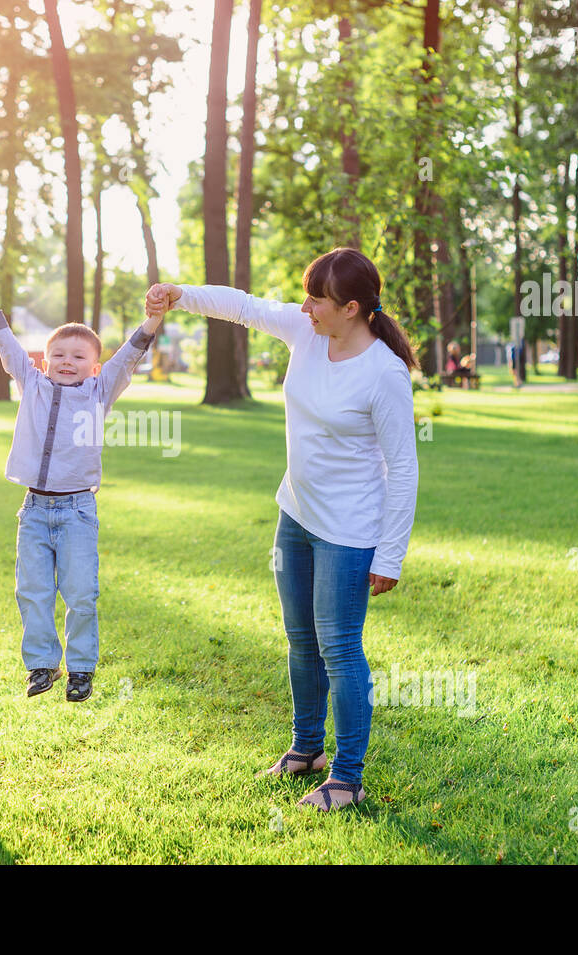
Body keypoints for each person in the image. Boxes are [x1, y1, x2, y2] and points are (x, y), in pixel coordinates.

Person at [146, 247, 419, 812]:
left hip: (348, 531)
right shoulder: (307, 331)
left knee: (340, 649)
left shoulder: (384, 374)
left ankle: (346, 778)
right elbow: (244, 307)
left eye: (316, 298)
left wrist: (389, 555)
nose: (305, 306)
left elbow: (404, 468)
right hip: (295, 513)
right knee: (301, 642)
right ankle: (306, 750)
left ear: (350, 307)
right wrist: (181, 295)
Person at [0, 293, 164, 701]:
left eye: (78, 357)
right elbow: (5, 343)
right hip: (33, 511)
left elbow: (129, 357)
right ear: (44, 362)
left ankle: (80, 668)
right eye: (59, 354)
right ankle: (41, 665)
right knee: (32, 590)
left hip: (77, 511)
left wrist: (152, 320)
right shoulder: (32, 384)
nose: (67, 361)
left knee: (81, 593)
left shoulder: (100, 392)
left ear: (95, 367)